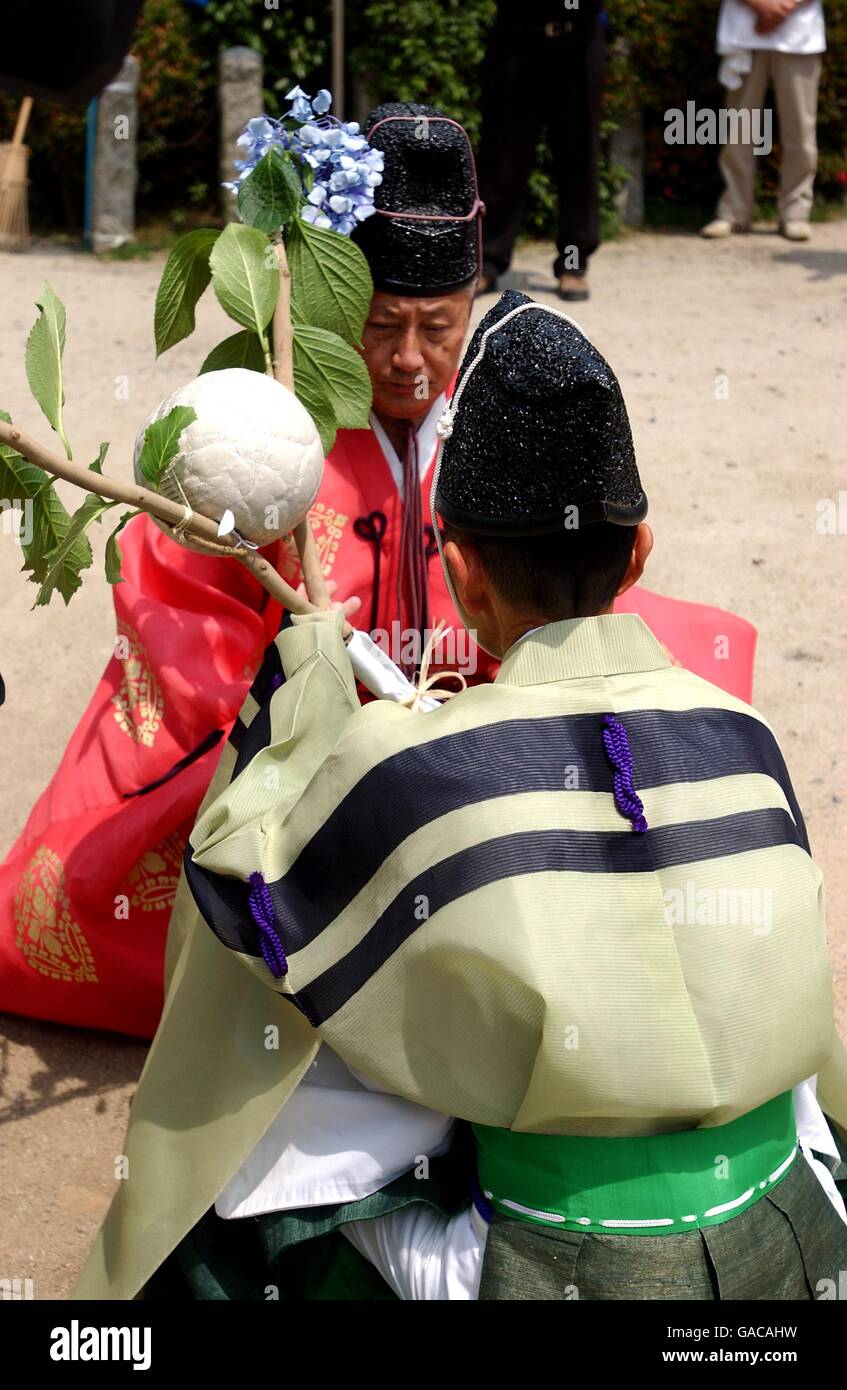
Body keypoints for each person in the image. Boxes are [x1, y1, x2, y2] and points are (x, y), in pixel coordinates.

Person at [1, 100, 755, 1042]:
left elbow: (575, 586)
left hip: (475, 728)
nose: (408, 361)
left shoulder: (510, 406)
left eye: (438, 327)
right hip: (296, 748)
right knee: (93, 905)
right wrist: (308, 694)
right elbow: (176, 613)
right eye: (380, 323)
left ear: (473, 300)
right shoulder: (268, 430)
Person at [174, 291, 847, 1300]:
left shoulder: (409, 763)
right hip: (792, 1238)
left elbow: (243, 890)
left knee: (267, 1096)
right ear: (640, 550)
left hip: (564, 1269)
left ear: (460, 571)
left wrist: (306, 674)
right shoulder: (741, 731)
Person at [475, 0, 608, 301]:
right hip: (515, 38)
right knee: (501, 159)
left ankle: (573, 265)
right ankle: (487, 262)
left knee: (578, 159)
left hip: (579, 40)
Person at [702, 0, 826, 242]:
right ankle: (734, 212)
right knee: (739, 130)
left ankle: (795, 213)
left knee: (800, 131)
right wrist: (762, 5)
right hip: (745, 32)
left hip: (799, 36)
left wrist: (784, 7)